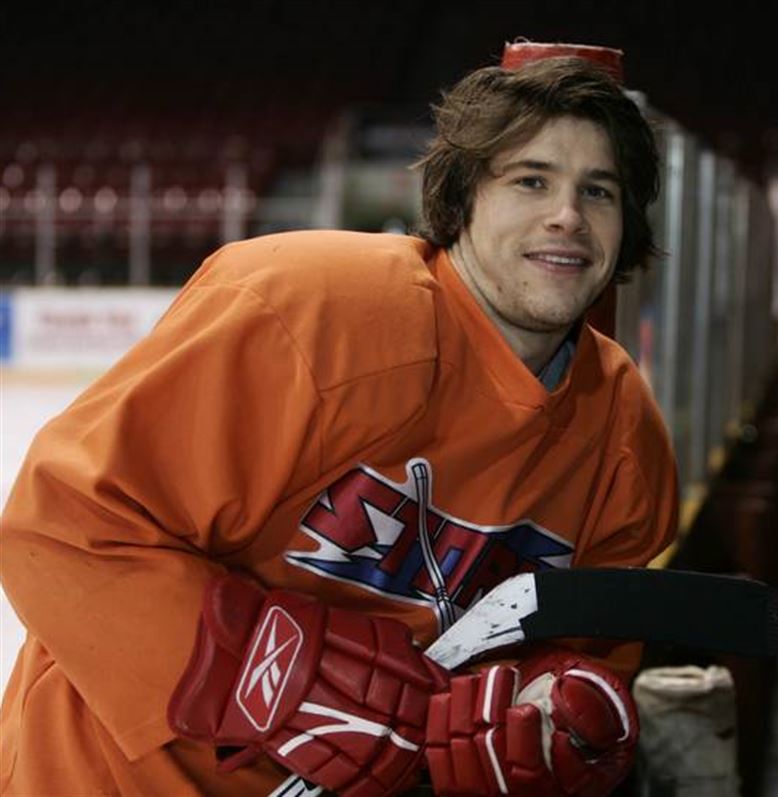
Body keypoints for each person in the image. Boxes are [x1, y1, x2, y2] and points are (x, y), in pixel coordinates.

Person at [0, 42, 678, 797]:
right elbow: (60, 526)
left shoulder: (623, 434)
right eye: (531, 180)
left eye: (598, 192)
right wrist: (272, 673)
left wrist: (555, 712)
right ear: (463, 198)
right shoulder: (305, 310)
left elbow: (586, 652)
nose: (567, 216)